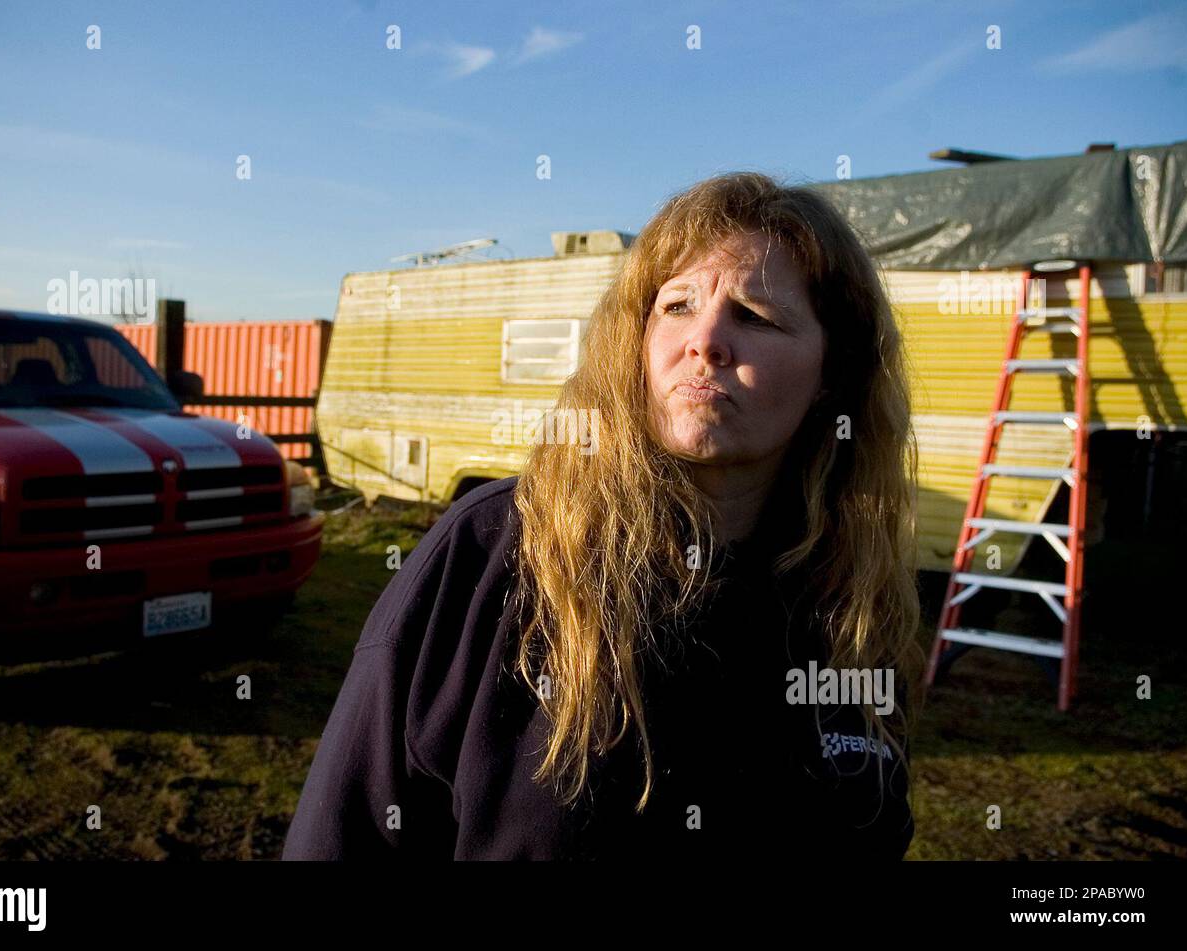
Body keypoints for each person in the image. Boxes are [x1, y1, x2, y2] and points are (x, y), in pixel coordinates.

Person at [283, 171, 924, 860]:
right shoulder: (495, 548)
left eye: (755, 315)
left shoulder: (852, 597)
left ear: (834, 368)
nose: (704, 340)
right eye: (675, 306)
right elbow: (340, 836)